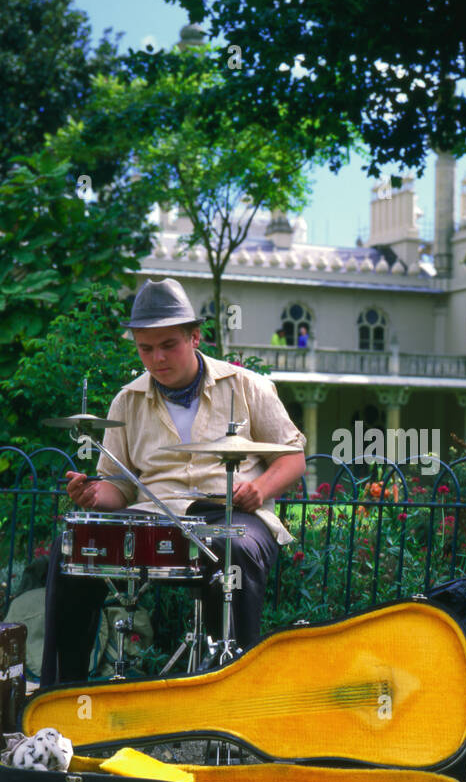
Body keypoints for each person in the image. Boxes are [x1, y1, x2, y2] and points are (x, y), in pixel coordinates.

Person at [40, 278, 307, 688]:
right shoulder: (126, 400)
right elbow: (120, 488)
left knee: (232, 550)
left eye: (169, 345)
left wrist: (261, 489)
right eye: (146, 348)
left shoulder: (248, 386)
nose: (157, 358)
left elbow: (292, 457)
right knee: (70, 548)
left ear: (195, 336)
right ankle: (62, 695)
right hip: (154, 516)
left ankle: (232, 691)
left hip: (231, 512)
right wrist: (95, 494)